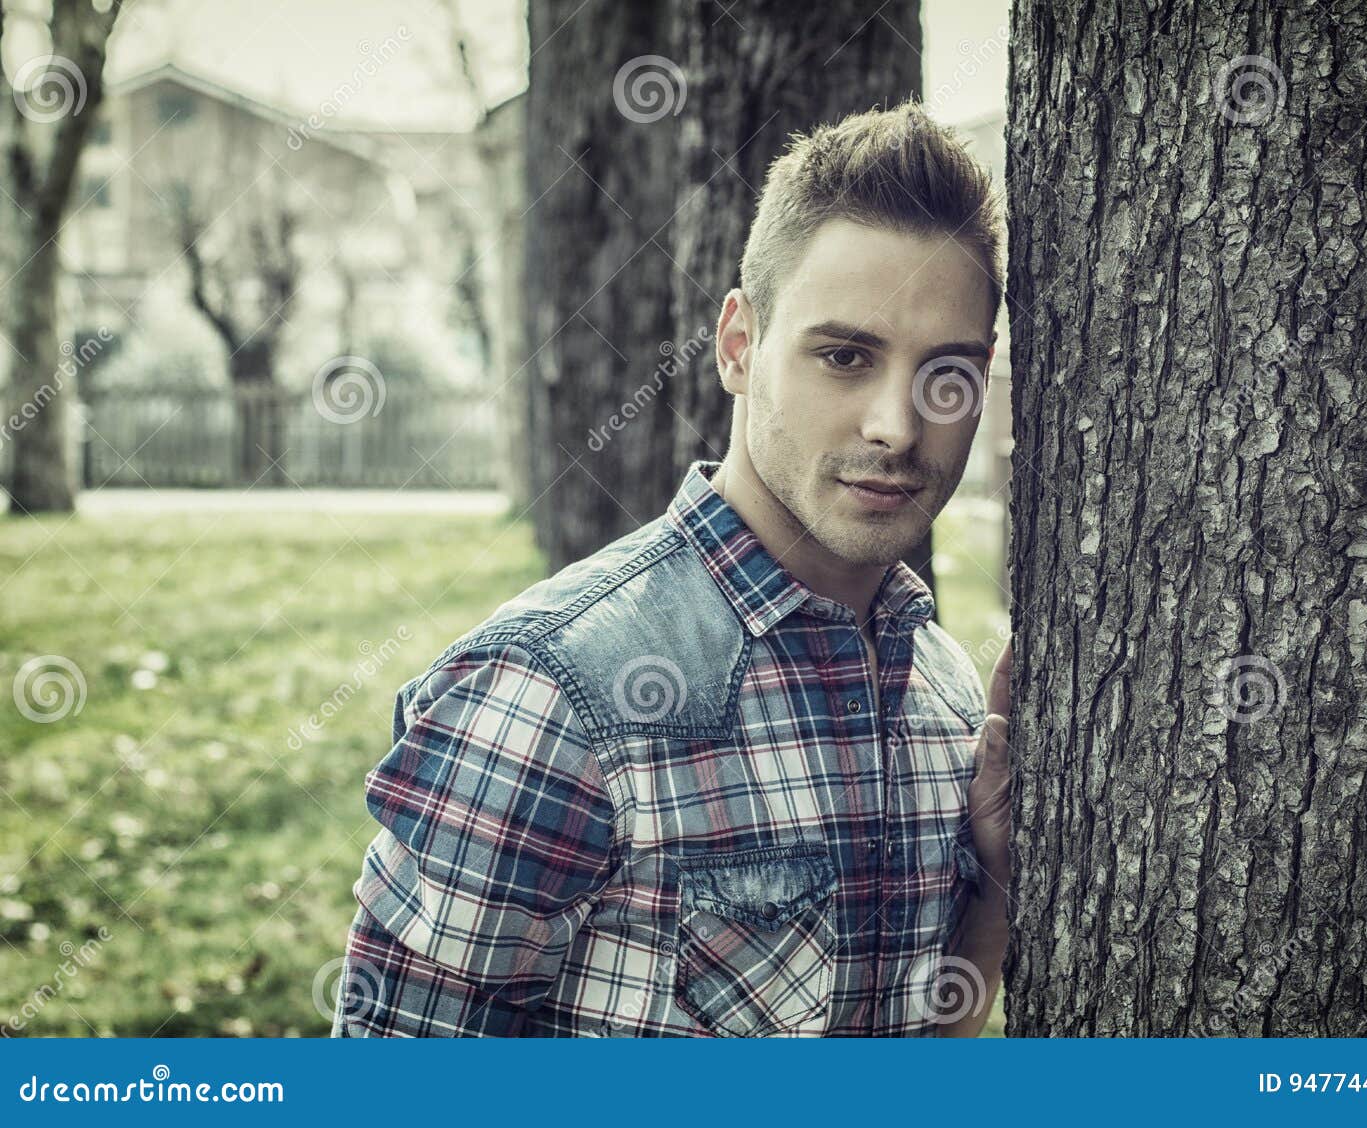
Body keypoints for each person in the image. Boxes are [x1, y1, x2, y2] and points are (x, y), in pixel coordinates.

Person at [332, 100, 1013, 1037]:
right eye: (845, 356)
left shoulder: (942, 691)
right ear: (738, 347)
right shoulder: (549, 694)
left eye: (947, 373)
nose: (897, 425)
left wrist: (995, 887)